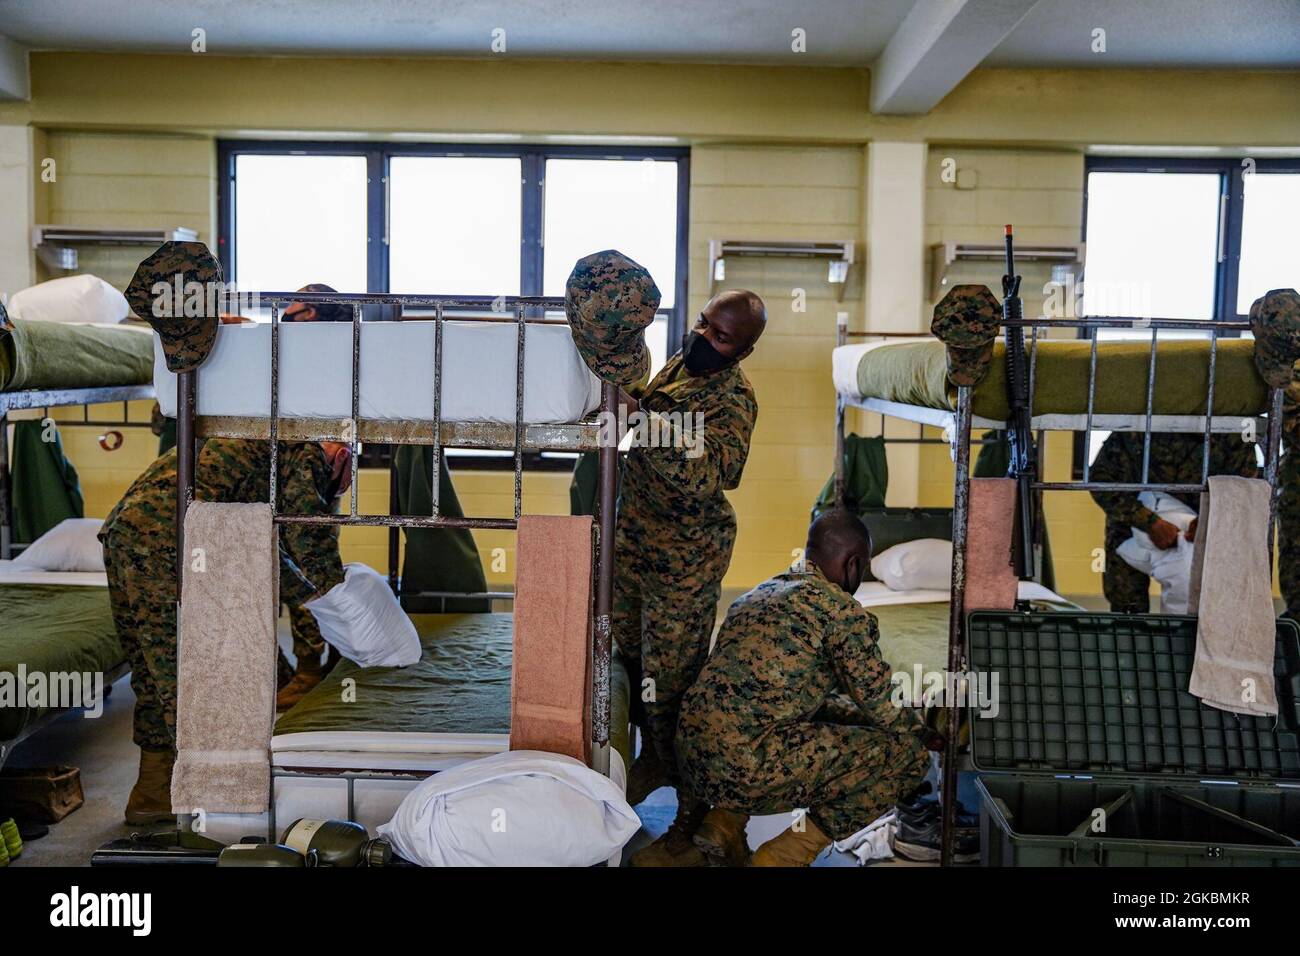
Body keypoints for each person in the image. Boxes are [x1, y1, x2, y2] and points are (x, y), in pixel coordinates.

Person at [656, 509, 934, 867]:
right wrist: (925, 731)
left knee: (758, 725)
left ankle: (724, 822)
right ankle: (785, 854)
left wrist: (855, 716)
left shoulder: (756, 596)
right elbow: (882, 706)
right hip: (744, 766)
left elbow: (784, 699)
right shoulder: (842, 614)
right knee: (906, 756)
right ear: (852, 564)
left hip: (693, 764)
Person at [100, 436, 350, 825]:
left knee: (155, 676)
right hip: (166, 541)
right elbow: (308, 542)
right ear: (341, 456)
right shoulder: (310, 454)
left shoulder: (260, 437)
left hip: (125, 532)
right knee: (190, 680)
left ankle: (151, 796)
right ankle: (210, 809)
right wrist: (339, 607)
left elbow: (287, 551)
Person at [615, 291, 765, 839]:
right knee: (629, 664)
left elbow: (717, 473)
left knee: (673, 683)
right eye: (703, 323)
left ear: (743, 350)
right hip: (635, 540)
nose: (703, 336)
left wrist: (645, 422)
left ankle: (694, 809)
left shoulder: (735, 398)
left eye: (720, 336)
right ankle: (652, 762)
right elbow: (648, 407)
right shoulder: (682, 360)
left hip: (684, 557)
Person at [1089, 432, 1258, 612]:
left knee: (1204, 610)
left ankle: (1184, 637)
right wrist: (1149, 521)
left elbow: (1244, 491)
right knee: (1127, 611)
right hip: (1132, 527)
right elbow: (1101, 481)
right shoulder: (1137, 425)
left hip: (1204, 529)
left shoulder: (1228, 429)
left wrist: (1210, 520)